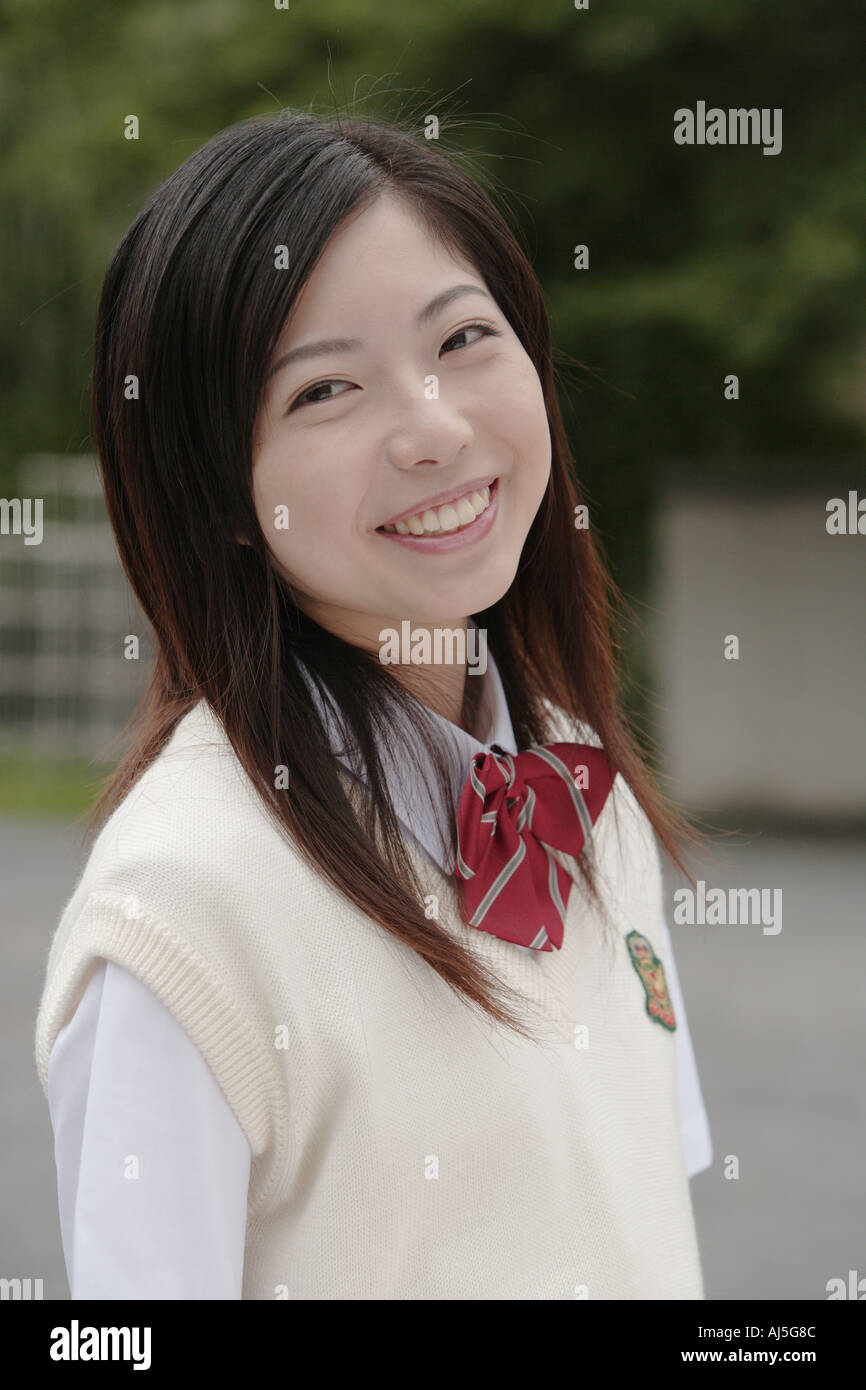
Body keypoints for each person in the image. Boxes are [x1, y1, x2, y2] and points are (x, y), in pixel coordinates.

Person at [34, 109, 713, 1300]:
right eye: (327, 389)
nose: (435, 428)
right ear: (222, 495)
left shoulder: (576, 783)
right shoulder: (181, 913)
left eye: (460, 338)